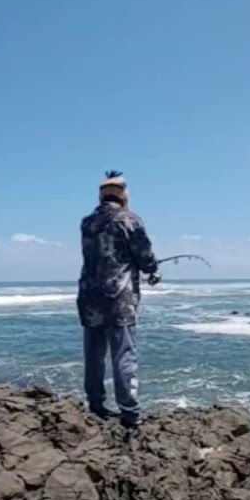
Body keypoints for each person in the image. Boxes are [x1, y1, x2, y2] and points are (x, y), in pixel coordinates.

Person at [77, 170, 160, 428]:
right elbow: (144, 255)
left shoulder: (87, 222)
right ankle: (130, 412)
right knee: (124, 354)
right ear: (123, 195)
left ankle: (96, 404)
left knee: (94, 355)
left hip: (89, 297)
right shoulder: (130, 220)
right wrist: (152, 270)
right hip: (119, 300)